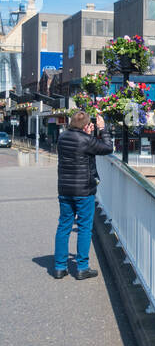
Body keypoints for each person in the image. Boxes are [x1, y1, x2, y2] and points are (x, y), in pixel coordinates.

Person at [54, 109, 113, 279]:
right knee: (85, 227)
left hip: (65, 189)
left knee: (63, 226)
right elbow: (108, 148)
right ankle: (82, 268)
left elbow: (77, 149)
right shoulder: (87, 140)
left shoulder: (62, 137)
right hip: (84, 190)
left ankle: (59, 267)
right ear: (87, 125)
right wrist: (102, 129)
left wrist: (87, 133)